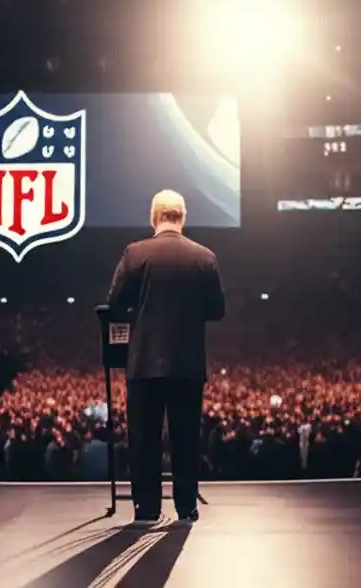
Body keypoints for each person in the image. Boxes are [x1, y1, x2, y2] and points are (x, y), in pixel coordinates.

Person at [106, 189, 226, 522]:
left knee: (144, 439)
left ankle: (147, 508)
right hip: (187, 362)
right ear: (182, 217)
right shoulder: (204, 257)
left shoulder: (135, 254)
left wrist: (140, 310)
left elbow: (114, 303)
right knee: (185, 437)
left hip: (145, 361)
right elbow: (217, 310)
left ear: (154, 217)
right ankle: (186, 506)